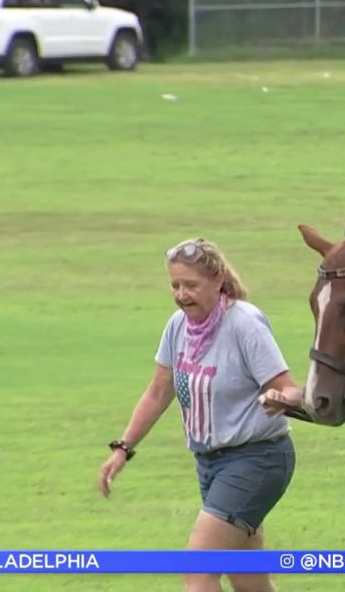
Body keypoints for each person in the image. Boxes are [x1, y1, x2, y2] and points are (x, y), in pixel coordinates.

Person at [97, 237, 303, 592]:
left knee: (199, 572)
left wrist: (279, 398)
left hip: (256, 461)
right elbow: (158, 392)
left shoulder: (244, 324)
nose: (181, 294)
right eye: (175, 285)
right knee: (247, 576)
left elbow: (292, 389)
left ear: (218, 280)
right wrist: (123, 448)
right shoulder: (178, 327)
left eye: (191, 285)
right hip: (210, 464)